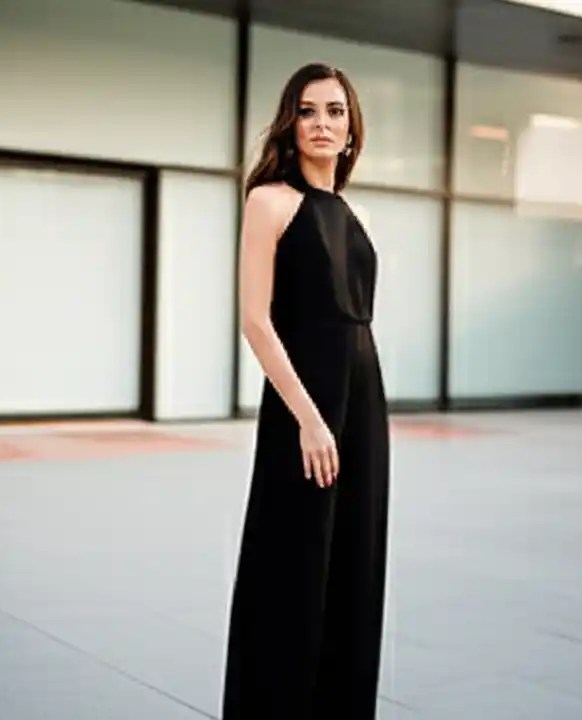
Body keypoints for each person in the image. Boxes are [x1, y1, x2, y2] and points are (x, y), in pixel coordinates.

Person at [221, 62, 389, 719]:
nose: (322, 124)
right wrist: (310, 420)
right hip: (305, 405)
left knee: (355, 560)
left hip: (363, 401)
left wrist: (347, 414)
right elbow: (255, 321)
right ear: (290, 124)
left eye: (335, 112)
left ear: (352, 130)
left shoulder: (355, 212)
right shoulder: (269, 201)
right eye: (309, 111)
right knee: (292, 564)